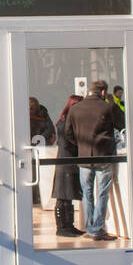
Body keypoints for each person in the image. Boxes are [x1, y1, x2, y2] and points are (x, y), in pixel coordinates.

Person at [64, 80, 126, 240]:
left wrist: (80, 146)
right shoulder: (108, 107)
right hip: (104, 155)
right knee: (103, 193)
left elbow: (68, 133)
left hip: (84, 156)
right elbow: (122, 124)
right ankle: (97, 228)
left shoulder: (75, 108)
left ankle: (91, 226)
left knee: (87, 193)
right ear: (104, 92)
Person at [51, 95, 85, 237]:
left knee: (67, 196)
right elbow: (71, 140)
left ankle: (68, 225)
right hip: (66, 161)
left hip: (67, 161)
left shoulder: (65, 121)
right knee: (63, 196)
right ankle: (62, 227)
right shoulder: (66, 123)